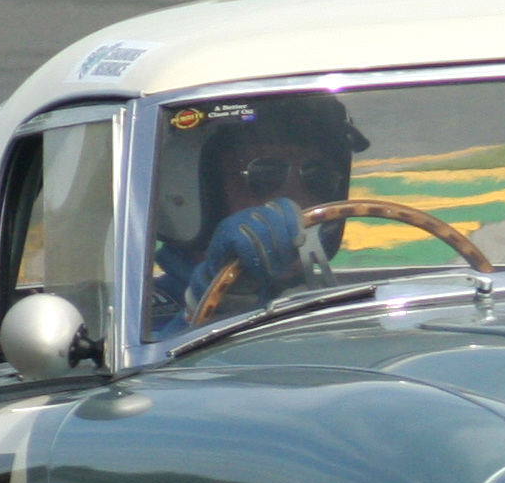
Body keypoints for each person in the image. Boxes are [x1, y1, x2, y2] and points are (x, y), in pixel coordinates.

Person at [150, 93, 368, 337]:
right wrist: (220, 297)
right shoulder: (142, 320)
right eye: (264, 174)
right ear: (192, 190)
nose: (297, 200)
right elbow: (164, 367)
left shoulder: (348, 309)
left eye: (319, 178)